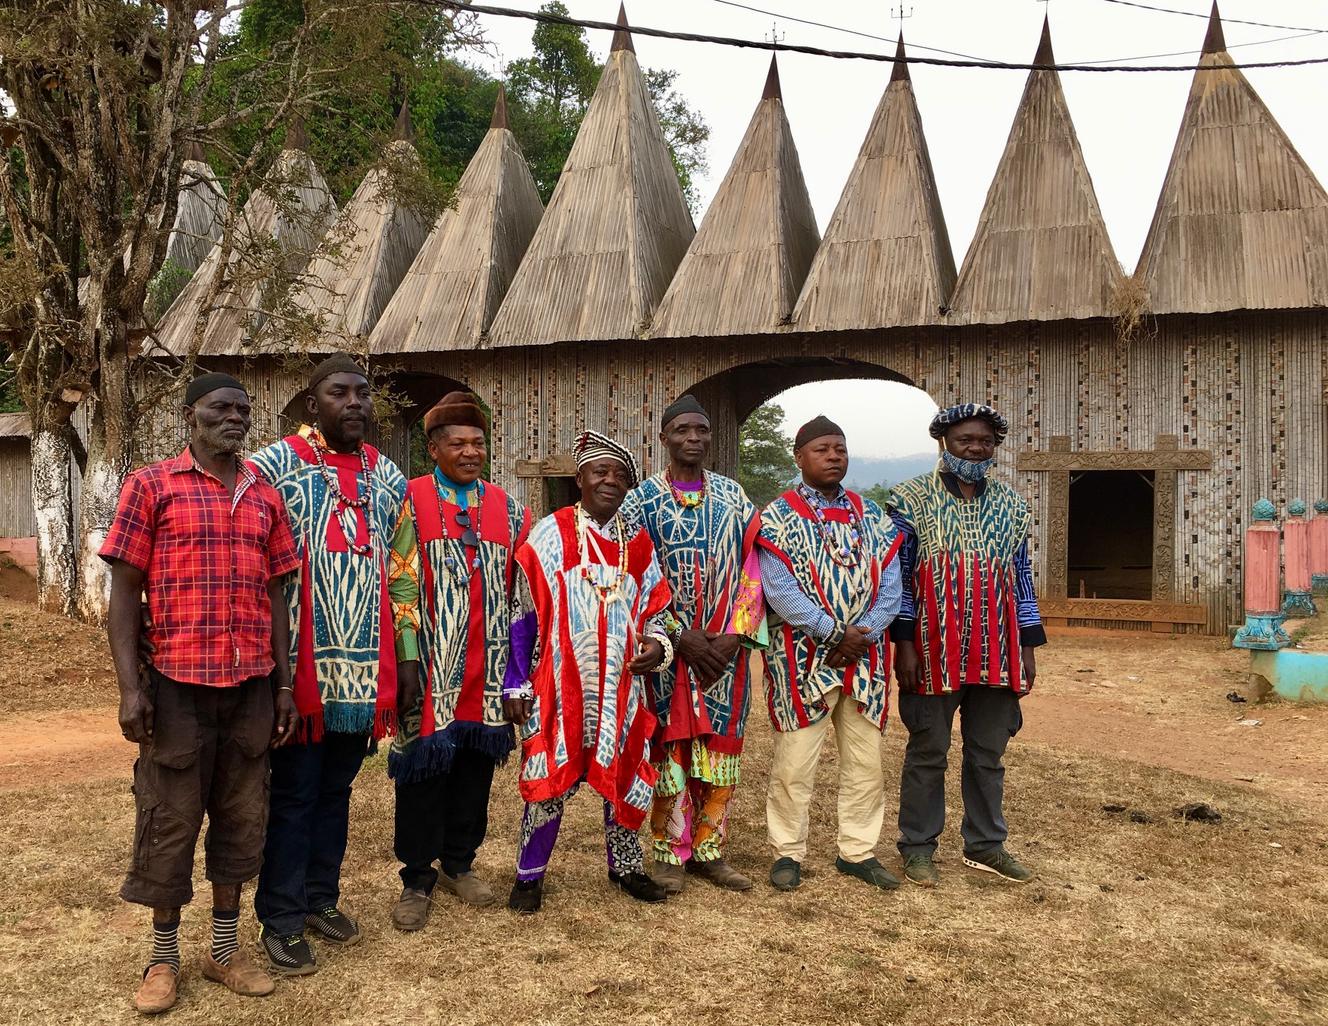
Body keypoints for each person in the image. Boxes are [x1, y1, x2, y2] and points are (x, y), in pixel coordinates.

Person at [102, 372, 300, 1015]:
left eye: (244, 409)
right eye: (221, 407)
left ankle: (222, 949)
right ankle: (161, 958)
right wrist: (132, 690)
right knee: (170, 819)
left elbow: (276, 596)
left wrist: (285, 685)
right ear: (191, 415)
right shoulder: (152, 486)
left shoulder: (265, 495)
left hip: (249, 688)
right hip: (177, 687)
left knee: (243, 819)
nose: (235, 418)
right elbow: (125, 596)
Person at [246, 354, 408, 974]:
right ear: (313, 404)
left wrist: (407, 655)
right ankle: (281, 918)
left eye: (363, 394)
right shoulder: (271, 467)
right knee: (292, 793)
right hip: (294, 666)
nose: (355, 404)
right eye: (340, 393)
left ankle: (320, 897)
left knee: (336, 791)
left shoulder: (386, 476)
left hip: (364, 669)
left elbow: (402, 570)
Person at [503, 430, 675, 914]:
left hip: (621, 686)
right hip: (559, 684)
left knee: (626, 772)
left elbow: (657, 611)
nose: (611, 481)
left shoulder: (637, 544)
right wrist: (516, 680)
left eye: (621, 476)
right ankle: (529, 876)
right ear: (579, 479)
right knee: (548, 778)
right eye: (600, 472)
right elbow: (523, 613)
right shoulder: (549, 534)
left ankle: (626, 868)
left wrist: (656, 646)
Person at [386, 392, 531, 928]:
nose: (471, 453)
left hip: (488, 667)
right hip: (430, 661)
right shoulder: (412, 499)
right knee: (423, 769)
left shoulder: (509, 508)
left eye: (478, 444)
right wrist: (405, 660)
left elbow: (522, 596)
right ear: (433, 449)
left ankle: (460, 862)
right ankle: (418, 877)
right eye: (458, 444)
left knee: (473, 769)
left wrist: (518, 672)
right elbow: (400, 580)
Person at [887, 403, 1046, 887]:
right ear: (944, 444)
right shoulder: (909, 499)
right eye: (965, 441)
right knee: (928, 750)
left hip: (997, 648)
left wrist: (1027, 646)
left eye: (985, 441)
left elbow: (1021, 579)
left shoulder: (1013, 505)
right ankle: (917, 847)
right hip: (932, 651)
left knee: (987, 753)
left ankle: (986, 844)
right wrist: (904, 643)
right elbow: (899, 578)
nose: (976, 449)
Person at [620, 395, 765, 894]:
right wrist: (680, 637)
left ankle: (709, 849)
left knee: (720, 747)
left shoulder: (734, 497)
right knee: (669, 745)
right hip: (667, 648)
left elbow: (755, 570)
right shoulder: (639, 502)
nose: (694, 439)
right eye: (683, 430)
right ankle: (667, 851)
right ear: (664, 438)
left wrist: (734, 635)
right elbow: (634, 574)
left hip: (725, 654)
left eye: (702, 430)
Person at [756, 415, 903, 893]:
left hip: (864, 663)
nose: (834, 455)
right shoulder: (777, 517)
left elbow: (892, 590)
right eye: (822, 448)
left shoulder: (873, 515)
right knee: (795, 762)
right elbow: (780, 592)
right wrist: (834, 633)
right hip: (799, 662)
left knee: (866, 762)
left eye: (840, 448)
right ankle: (787, 852)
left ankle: (857, 851)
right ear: (798, 458)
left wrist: (860, 637)